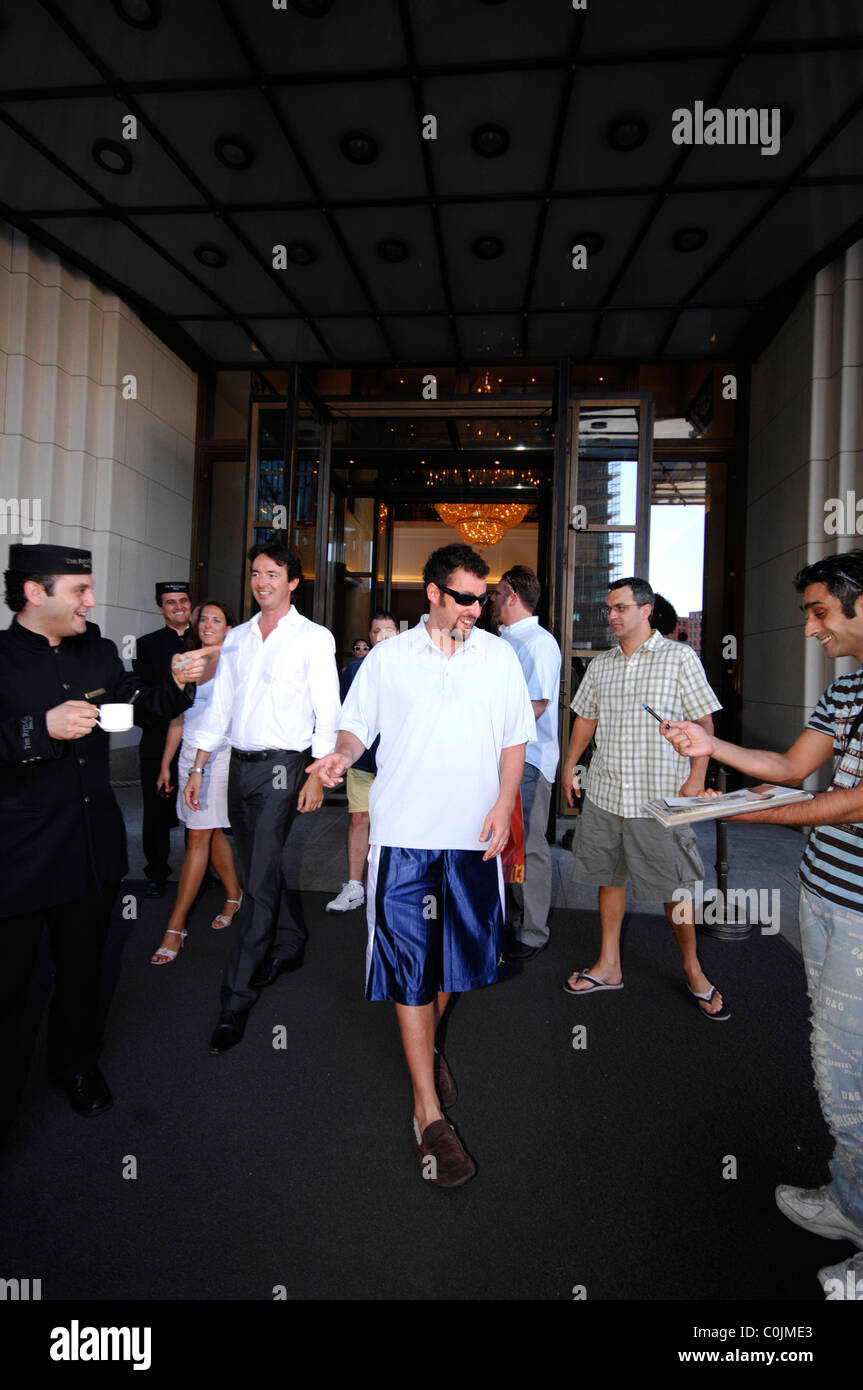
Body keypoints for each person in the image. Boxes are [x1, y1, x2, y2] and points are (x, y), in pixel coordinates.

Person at [662, 550, 863, 1298]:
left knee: (857, 1074)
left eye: (818, 611)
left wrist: (737, 806)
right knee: (835, 1059)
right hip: (825, 897)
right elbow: (788, 766)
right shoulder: (847, 690)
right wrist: (710, 748)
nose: (809, 628)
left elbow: (851, 800)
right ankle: (849, 1202)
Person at [308, 543, 535, 1187]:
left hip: (473, 838)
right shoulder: (387, 659)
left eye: (481, 597)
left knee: (456, 965)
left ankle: (429, 1043)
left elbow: (514, 740)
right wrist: (337, 758)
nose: (475, 609)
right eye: (463, 597)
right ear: (431, 594)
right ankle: (427, 1114)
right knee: (410, 964)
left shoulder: (499, 658)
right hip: (404, 837)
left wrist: (504, 805)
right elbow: (357, 731)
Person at [0, 543, 204, 1131]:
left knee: (84, 970)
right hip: (18, 856)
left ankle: (76, 1065)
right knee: (9, 983)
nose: (92, 600)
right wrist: (39, 729)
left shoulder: (99, 650)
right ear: (35, 593)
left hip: (91, 848)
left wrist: (179, 678)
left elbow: (140, 704)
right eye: (79, 590)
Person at [185, 539, 339, 1056]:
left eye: (273, 574)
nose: (262, 582)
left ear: (293, 582)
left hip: (283, 767)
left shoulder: (314, 638)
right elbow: (219, 707)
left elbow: (327, 708)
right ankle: (291, 942)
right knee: (259, 865)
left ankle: (236, 995)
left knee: (255, 882)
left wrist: (317, 772)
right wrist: (200, 766)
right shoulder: (239, 639)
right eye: (256, 573)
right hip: (239, 764)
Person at [561, 577, 727, 1018]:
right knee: (608, 877)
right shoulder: (602, 665)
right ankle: (609, 964)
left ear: (645, 609)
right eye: (608, 609)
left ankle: (693, 969)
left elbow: (704, 726)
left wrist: (696, 778)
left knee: (675, 888)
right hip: (606, 791)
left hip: (662, 797)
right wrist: (570, 764)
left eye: (620, 608)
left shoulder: (680, 659)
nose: (612, 616)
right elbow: (586, 719)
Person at [151, 599, 242, 964]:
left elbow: (221, 723)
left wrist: (197, 769)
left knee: (196, 837)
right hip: (189, 756)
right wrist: (166, 764)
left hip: (215, 758)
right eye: (203, 618)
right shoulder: (188, 662)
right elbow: (178, 717)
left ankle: (175, 926)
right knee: (211, 831)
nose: (207, 623)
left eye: (216, 620)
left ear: (229, 629)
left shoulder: (234, 665)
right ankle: (234, 893)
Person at [492, 566, 561, 961]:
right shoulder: (508, 640)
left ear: (513, 594)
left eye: (498, 593)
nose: (493, 601)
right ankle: (514, 921)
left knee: (528, 846)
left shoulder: (536, 643)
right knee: (510, 845)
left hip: (528, 761)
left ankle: (533, 932)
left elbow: (535, 707)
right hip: (508, 760)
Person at [326, 610, 399, 913]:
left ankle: (392, 887)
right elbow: (346, 717)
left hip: (395, 761)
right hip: (361, 760)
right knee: (359, 818)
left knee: (394, 824)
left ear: (398, 634)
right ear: (369, 636)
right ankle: (354, 886)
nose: (382, 636)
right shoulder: (355, 670)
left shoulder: (409, 668)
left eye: (388, 630)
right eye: (376, 631)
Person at [133, 581, 192, 897]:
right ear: (161, 607)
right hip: (158, 740)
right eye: (171, 602)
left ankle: (200, 871)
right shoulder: (147, 645)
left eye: (183, 600)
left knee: (198, 811)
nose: (178, 606)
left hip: (197, 740)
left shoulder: (204, 639)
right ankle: (156, 871)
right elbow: (141, 696)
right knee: (156, 812)